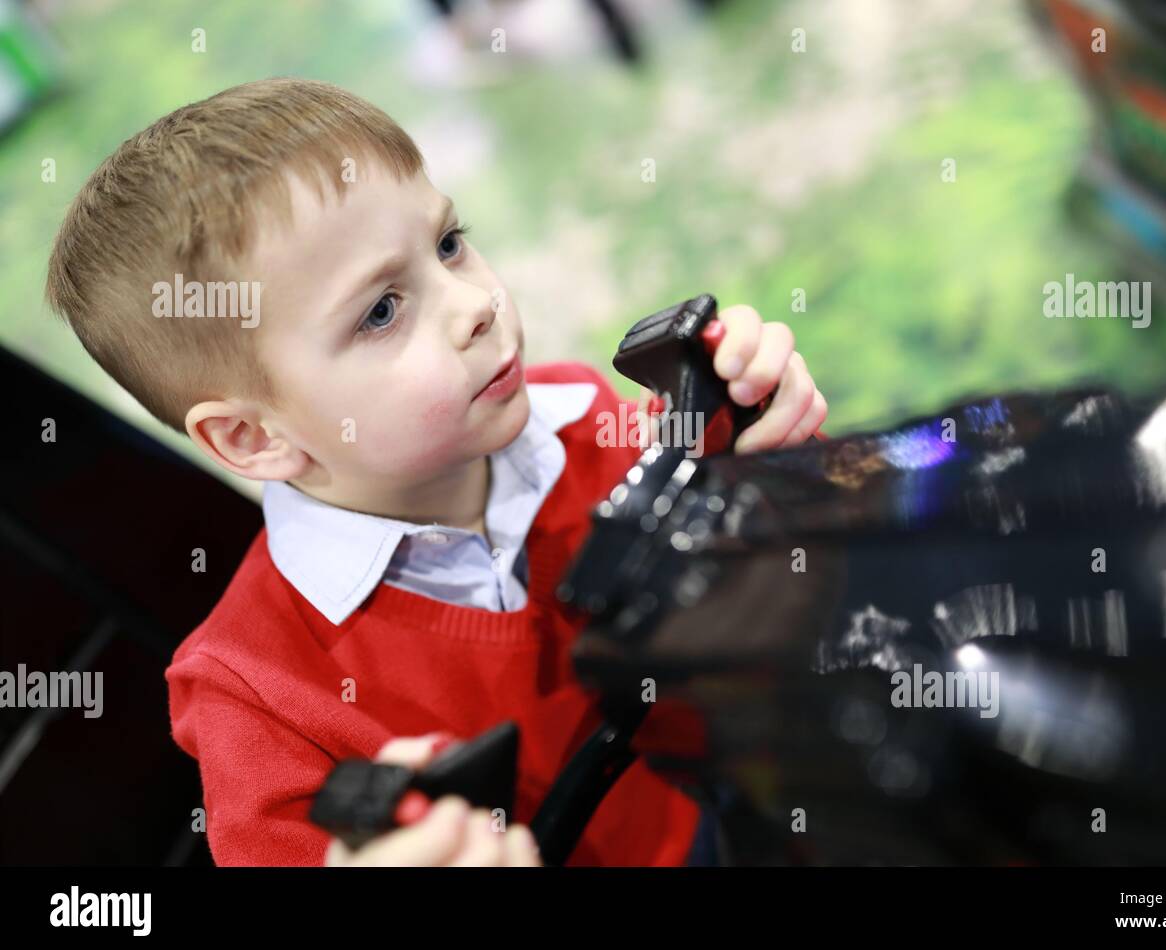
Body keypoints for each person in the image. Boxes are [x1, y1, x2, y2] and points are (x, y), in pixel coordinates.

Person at [44, 77, 828, 866]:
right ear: (252, 438)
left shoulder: (588, 419)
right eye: (382, 310)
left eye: (449, 243)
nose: (475, 304)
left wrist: (759, 451)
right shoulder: (258, 700)